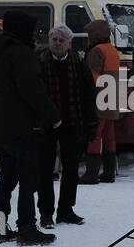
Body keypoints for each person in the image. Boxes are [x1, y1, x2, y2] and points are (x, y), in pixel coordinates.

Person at [0, 11, 60, 246]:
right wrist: (53, 115)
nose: (35, 36)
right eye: (32, 30)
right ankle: (27, 227)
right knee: (28, 180)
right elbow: (32, 91)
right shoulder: (21, 54)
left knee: (6, 179)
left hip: (0, 127)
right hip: (23, 127)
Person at [37, 25, 97, 228]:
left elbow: (89, 95)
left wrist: (91, 122)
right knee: (45, 169)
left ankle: (66, 209)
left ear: (69, 43)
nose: (57, 42)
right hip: (46, 123)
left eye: (61, 40)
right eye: (54, 38)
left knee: (71, 169)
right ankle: (46, 212)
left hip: (72, 121)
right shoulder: (40, 62)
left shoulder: (79, 63)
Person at [80, 18, 122, 184]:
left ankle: (91, 174)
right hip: (112, 98)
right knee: (109, 136)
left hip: (99, 98)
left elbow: (93, 76)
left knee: (95, 136)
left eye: (90, 34)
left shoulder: (96, 50)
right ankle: (109, 173)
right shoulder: (112, 49)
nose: (88, 37)